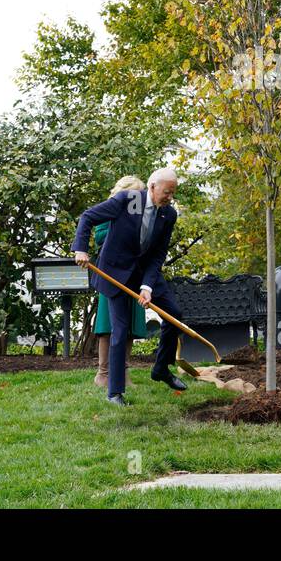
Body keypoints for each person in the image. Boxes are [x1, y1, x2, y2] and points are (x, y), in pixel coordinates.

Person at [73, 167, 185, 405]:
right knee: (120, 330)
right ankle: (115, 392)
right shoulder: (127, 200)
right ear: (152, 187)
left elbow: (158, 254)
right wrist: (80, 248)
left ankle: (161, 369)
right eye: (166, 192)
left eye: (173, 193)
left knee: (174, 314)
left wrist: (147, 287)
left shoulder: (169, 215)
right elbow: (88, 217)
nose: (169, 198)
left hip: (144, 271)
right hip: (115, 270)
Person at [89, 175, 151, 388]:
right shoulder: (111, 208)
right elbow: (99, 236)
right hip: (112, 273)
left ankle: (123, 373)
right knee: (109, 325)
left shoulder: (144, 213)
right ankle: (103, 373)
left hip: (134, 274)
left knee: (130, 324)